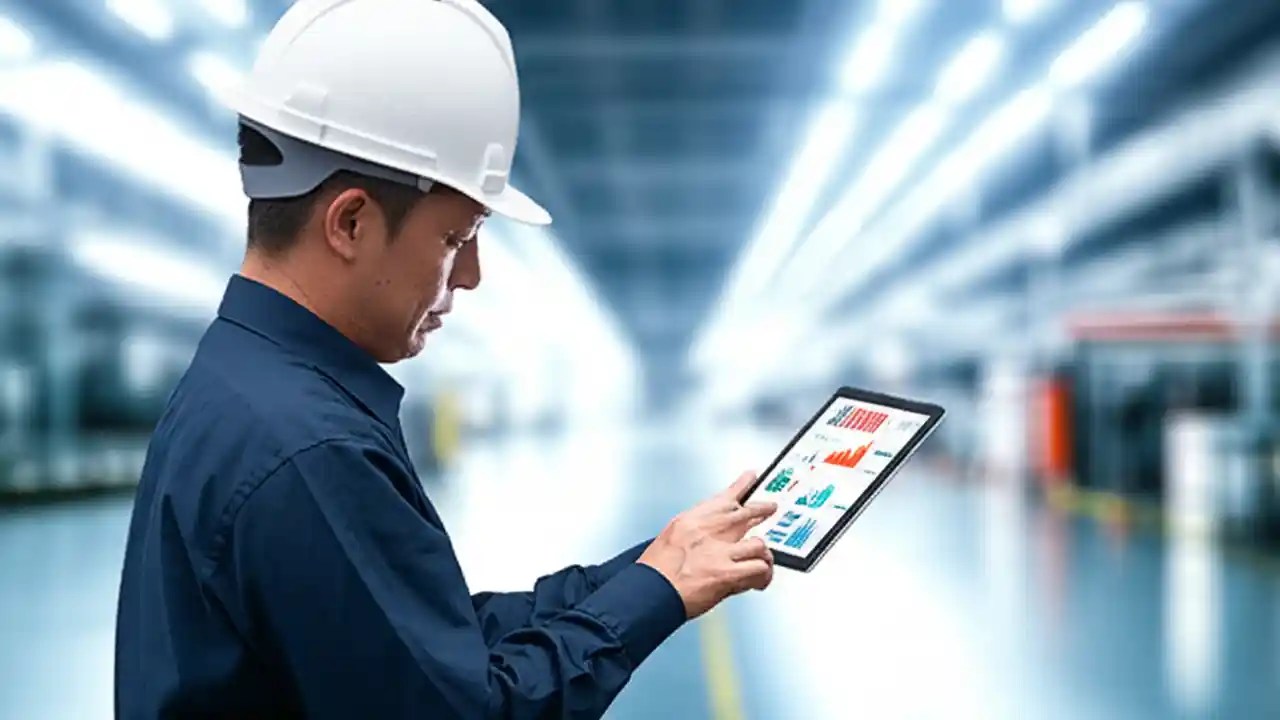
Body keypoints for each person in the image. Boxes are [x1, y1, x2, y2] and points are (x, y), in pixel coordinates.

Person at [113, 1, 778, 718]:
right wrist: (654, 598)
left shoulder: (244, 384)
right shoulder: (310, 447)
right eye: (457, 238)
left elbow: (411, 641)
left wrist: (656, 565)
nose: (471, 276)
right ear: (351, 223)